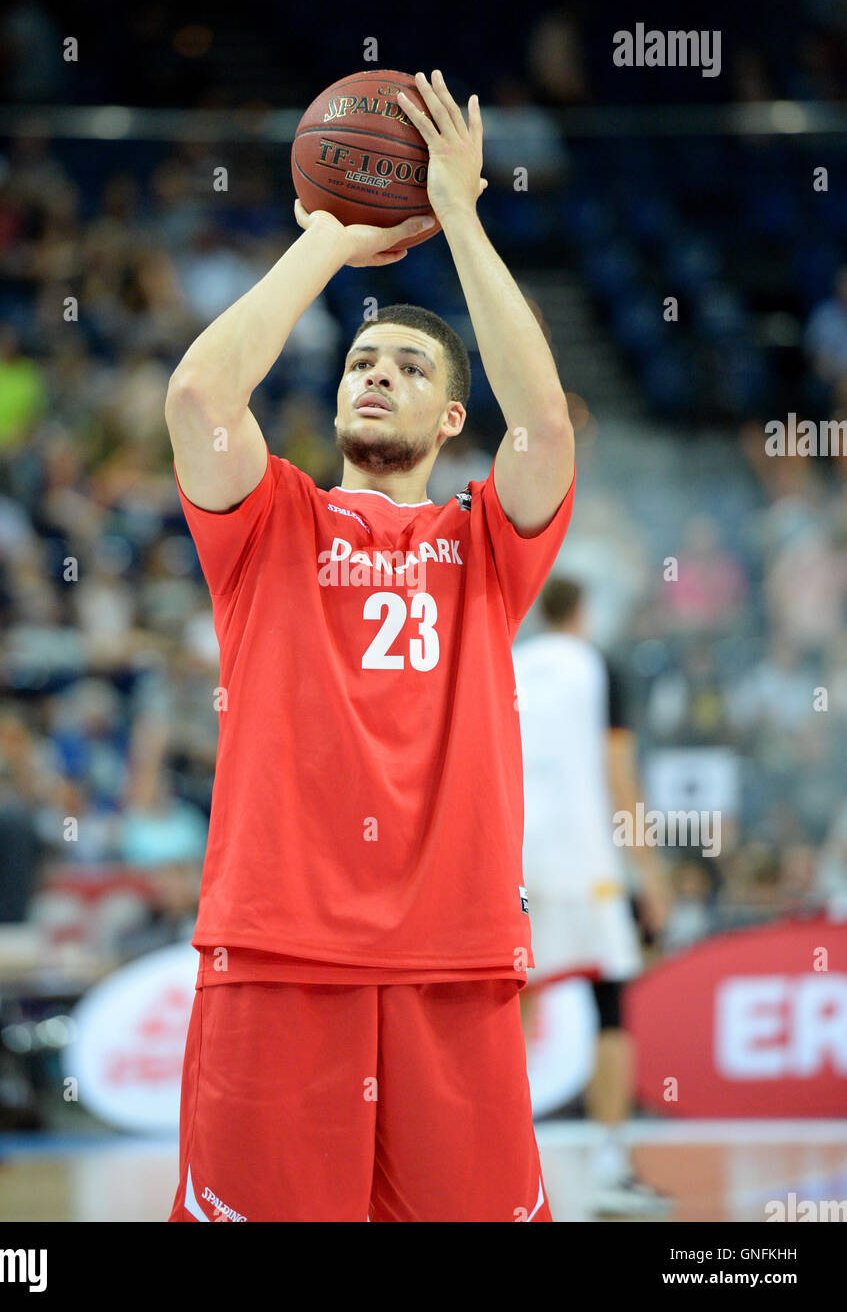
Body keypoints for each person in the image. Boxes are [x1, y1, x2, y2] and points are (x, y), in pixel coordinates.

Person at [165, 70, 576, 1223]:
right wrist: (331, 244)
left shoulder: (485, 541)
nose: (376, 372)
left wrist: (460, 214)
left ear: (452, 419)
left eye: (407, 368)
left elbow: (543, 425)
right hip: (280, 948)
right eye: (359, 363)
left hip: (453, 952)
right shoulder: (271, 523)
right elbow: (200, 395)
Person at [513, 577, 672, 1217]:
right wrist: (650, 870)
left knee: (515, 1008)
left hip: (516, 858)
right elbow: (619, 771)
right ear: (585, 612)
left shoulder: (511, 659)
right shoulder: (599, 665)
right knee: (610, 1003)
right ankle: (609, 1160)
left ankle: (501, 1157)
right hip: (586, 862)